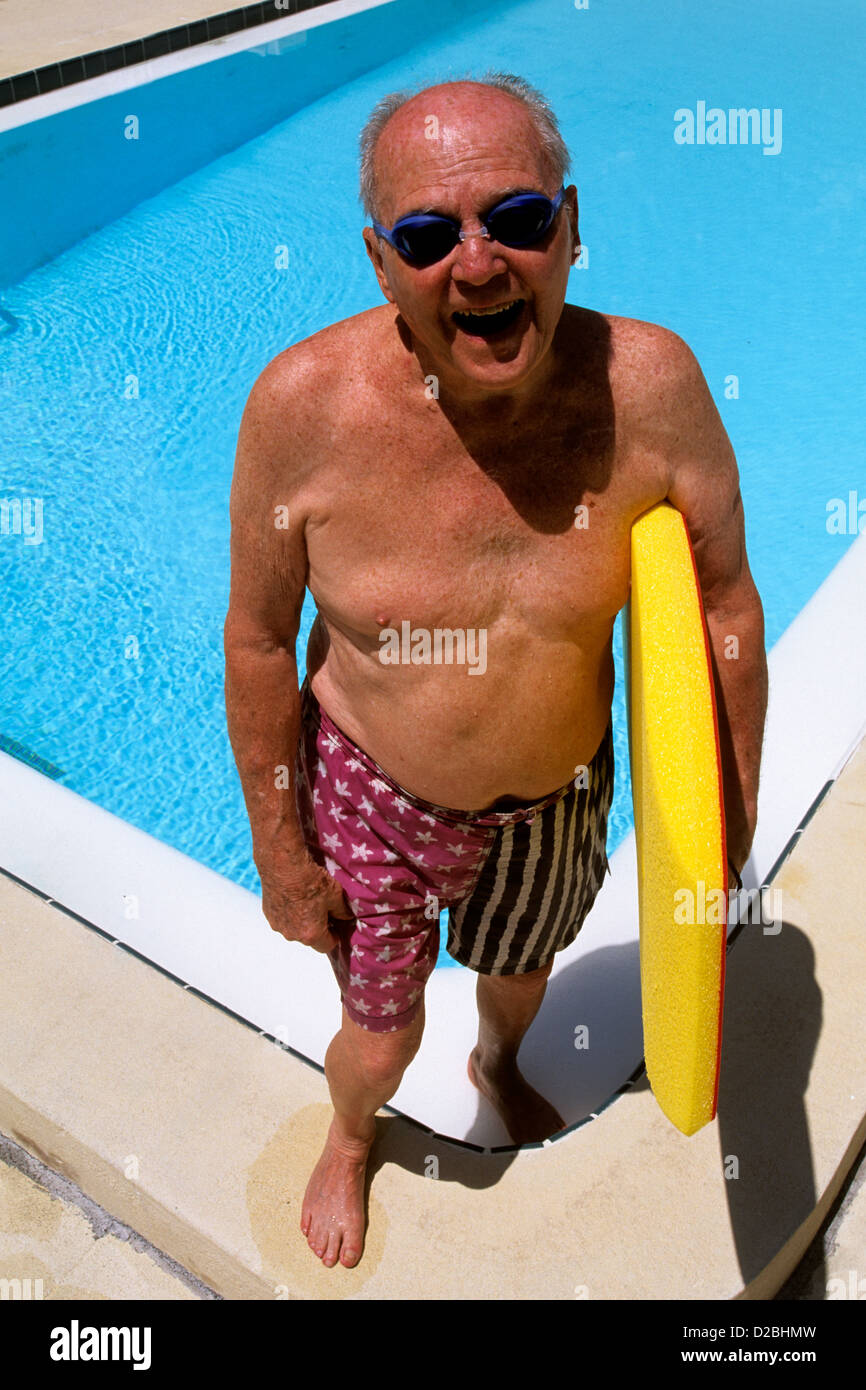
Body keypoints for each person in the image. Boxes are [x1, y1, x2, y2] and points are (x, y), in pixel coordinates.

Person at [223, 73, 768, 1271]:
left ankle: (497, 1061)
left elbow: (723, 605)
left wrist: (724, 828)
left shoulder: (652, 390)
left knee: (519, 975)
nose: (477, 266)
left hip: (558, 800)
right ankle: (350, 1132)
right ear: (379, 262)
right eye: (427, 237)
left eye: (515, 221)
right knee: (376, 1039)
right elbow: (260, 642)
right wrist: (280, 851)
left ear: (569, 224)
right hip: (375, 798)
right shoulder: (301, 412)